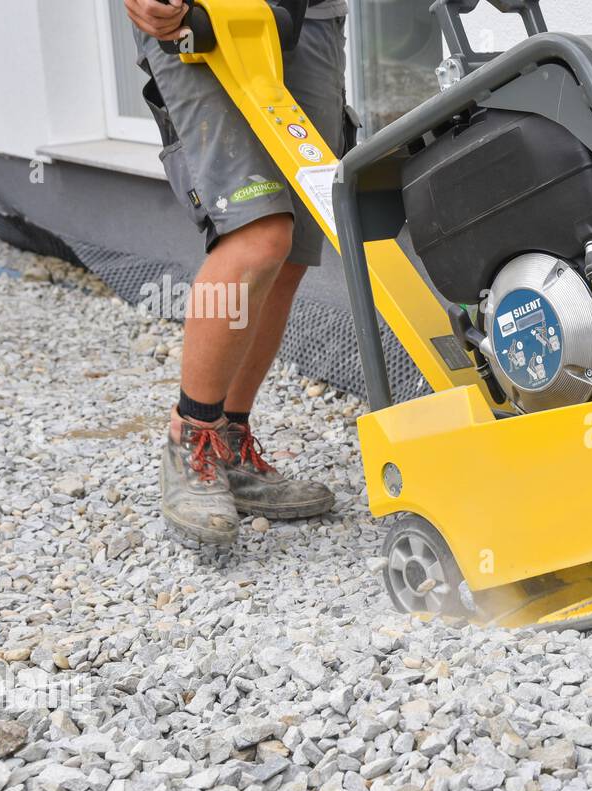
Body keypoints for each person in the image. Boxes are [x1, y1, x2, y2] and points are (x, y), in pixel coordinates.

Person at [126, 0, 348, 545]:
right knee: (258, 234)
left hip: (308, 16)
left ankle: (229, 441)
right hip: (197, 15)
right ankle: (192, 438)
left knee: (292, 249)